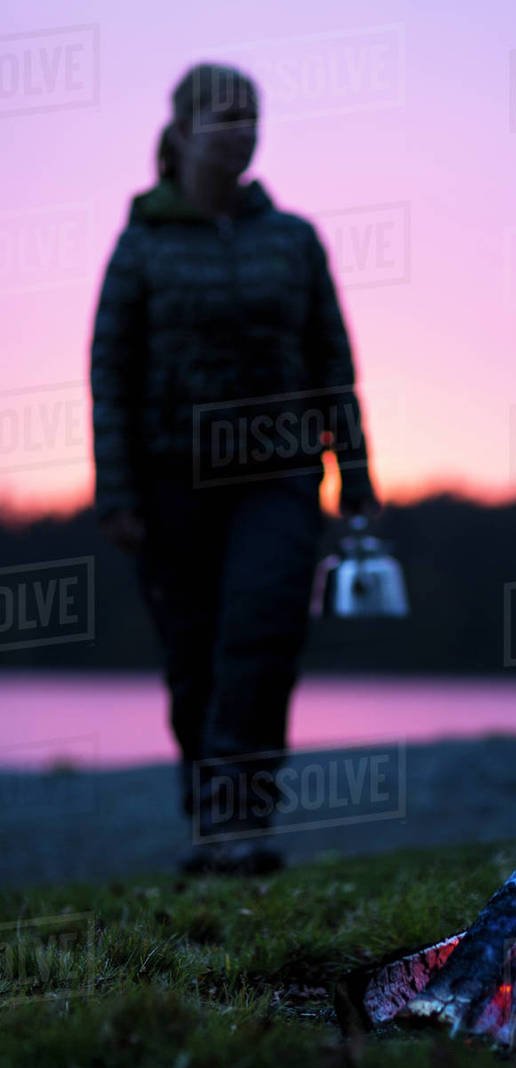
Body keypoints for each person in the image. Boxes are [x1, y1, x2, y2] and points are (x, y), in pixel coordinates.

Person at [90, 63, 378, 874]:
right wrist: (115, 491)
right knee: (193, 656)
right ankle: (209, 820)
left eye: (251, 114)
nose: (240, 128)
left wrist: (353, 474)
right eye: (221, 116)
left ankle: (241, 824)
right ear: (180, 132)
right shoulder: (140, 245)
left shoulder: (294, 239)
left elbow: (332, 362)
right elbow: (109, 372)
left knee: (264, 636)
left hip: (281, 477)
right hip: (170, 481)